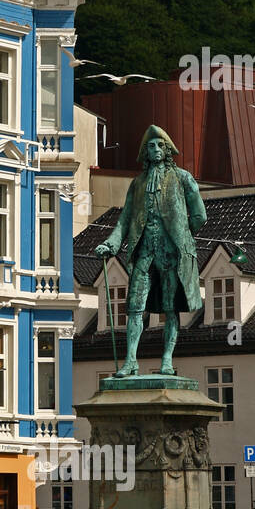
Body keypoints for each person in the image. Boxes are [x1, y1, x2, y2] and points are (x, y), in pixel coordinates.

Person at [93, 125, 206, 377]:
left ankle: (167, 360)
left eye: (159, 145)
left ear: (167, 150)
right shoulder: (138, 184)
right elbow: (125, 219)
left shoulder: (183, 178)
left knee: (169, 307)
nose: (154, 149)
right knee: (134, 305)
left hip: (172, 253)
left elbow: (199, 215)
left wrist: (183, 236)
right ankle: (131, 361)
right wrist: (111, 244)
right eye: (150, 146)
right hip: (144, 251)